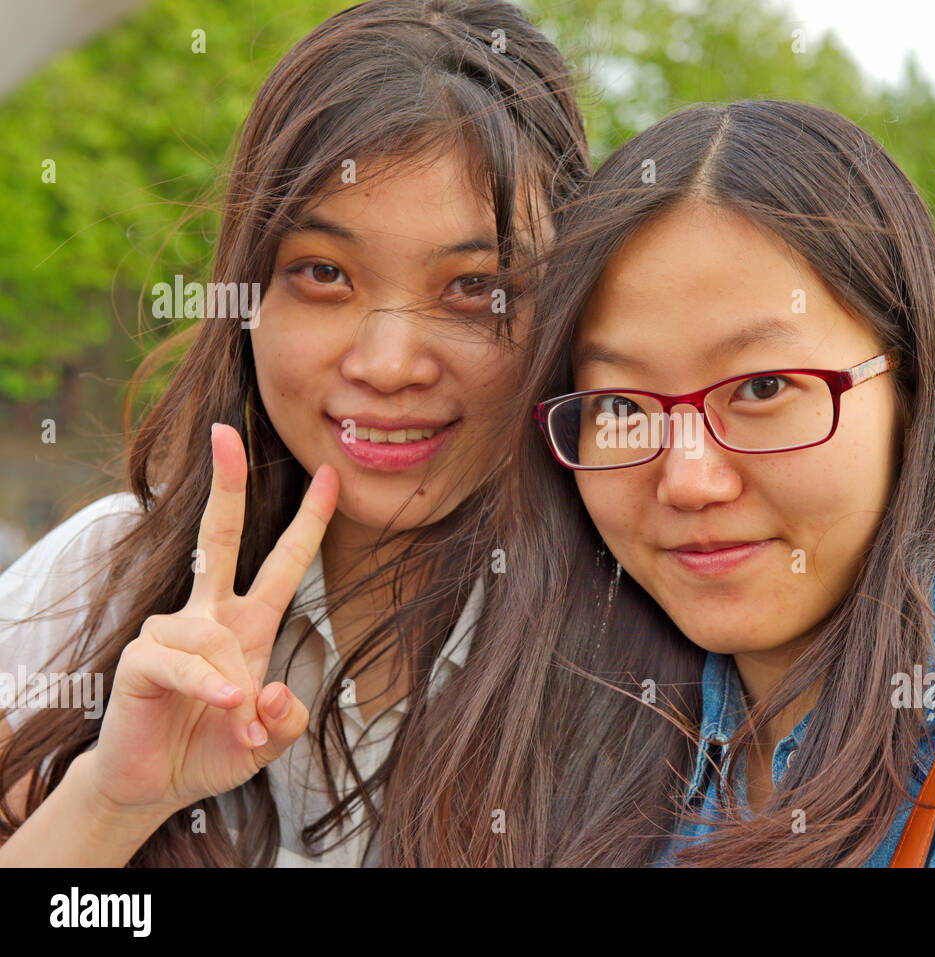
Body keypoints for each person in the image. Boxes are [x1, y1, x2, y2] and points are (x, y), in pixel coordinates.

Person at [428, 99, 935, 866]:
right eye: (620, 403)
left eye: (760, 388)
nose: (688, 478)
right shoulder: (568, 750)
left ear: (909, 388)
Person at [0, 0, 589, 867]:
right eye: (323, 273)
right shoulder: (98, 579)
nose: (389, 364)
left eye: (474, 286)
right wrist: (108, 804)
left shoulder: (643, 640)